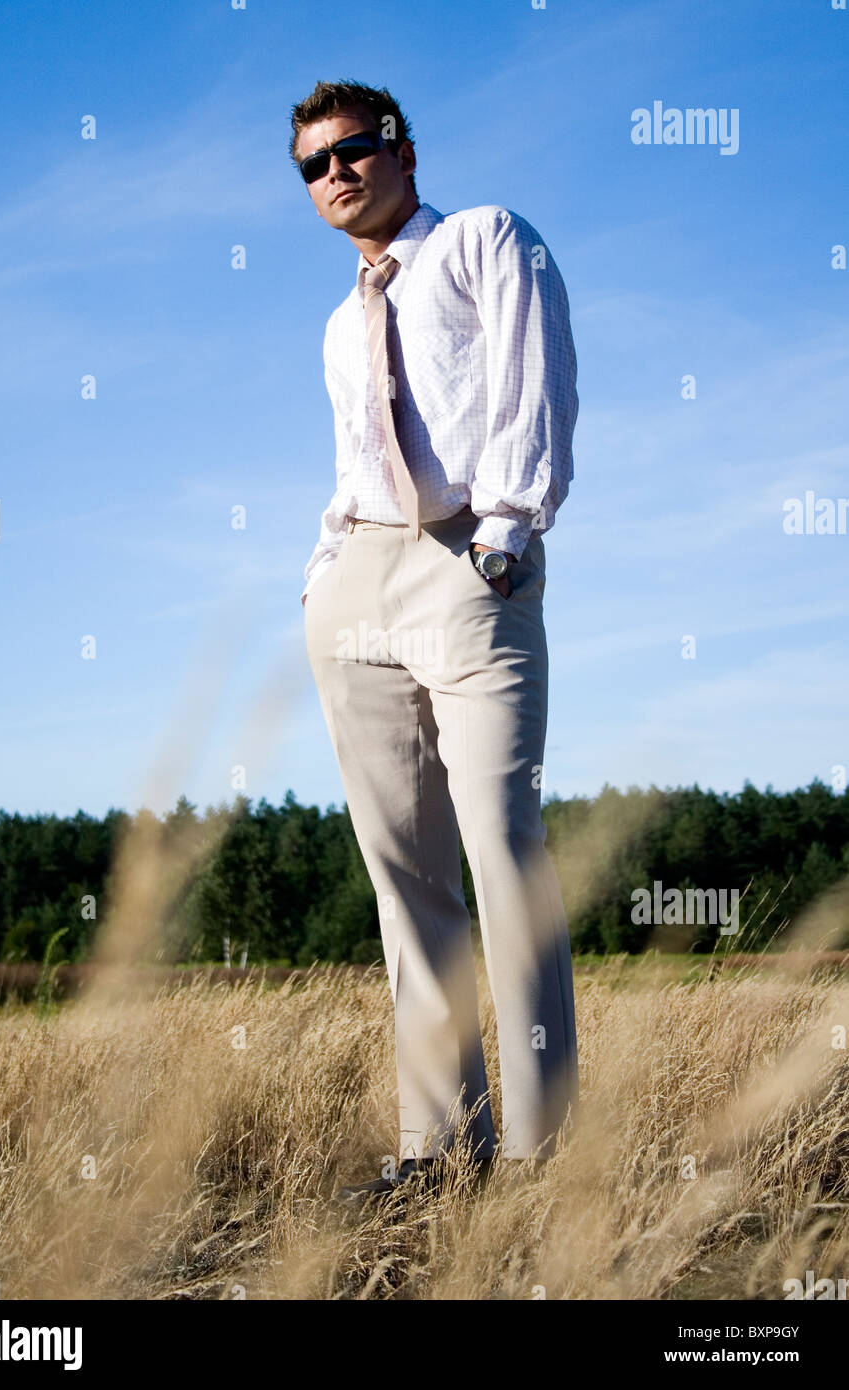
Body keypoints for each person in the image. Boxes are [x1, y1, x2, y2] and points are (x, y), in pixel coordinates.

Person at [292, 80, 579, 1201]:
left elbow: (532, 383)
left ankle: (543, 1160)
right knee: (405, 877)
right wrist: (323, 576)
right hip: (357, 578)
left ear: (402, 149)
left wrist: (509, 528)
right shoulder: (335, 321)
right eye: (314, 165)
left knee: (502, 843)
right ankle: (439, 1151)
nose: (337, 176)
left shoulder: (482, 240)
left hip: (470, 558)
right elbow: (352, 459)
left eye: (353, 151)